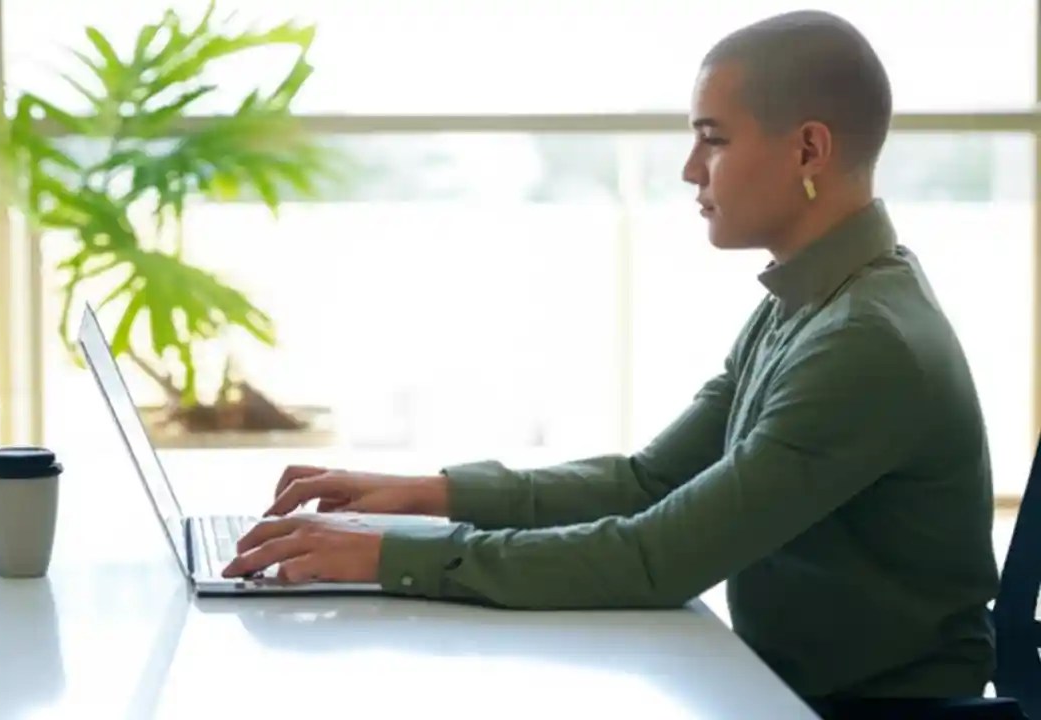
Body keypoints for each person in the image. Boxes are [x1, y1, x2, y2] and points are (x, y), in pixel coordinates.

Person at [222, 9, 1002, 711]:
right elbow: (649, 483)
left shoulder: (866, 343)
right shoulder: (805, 303)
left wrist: (384, 556)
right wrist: (426, 495)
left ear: (808, 149)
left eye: (713, 139)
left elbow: (655, 559)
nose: (690, 169)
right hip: (775, 687)